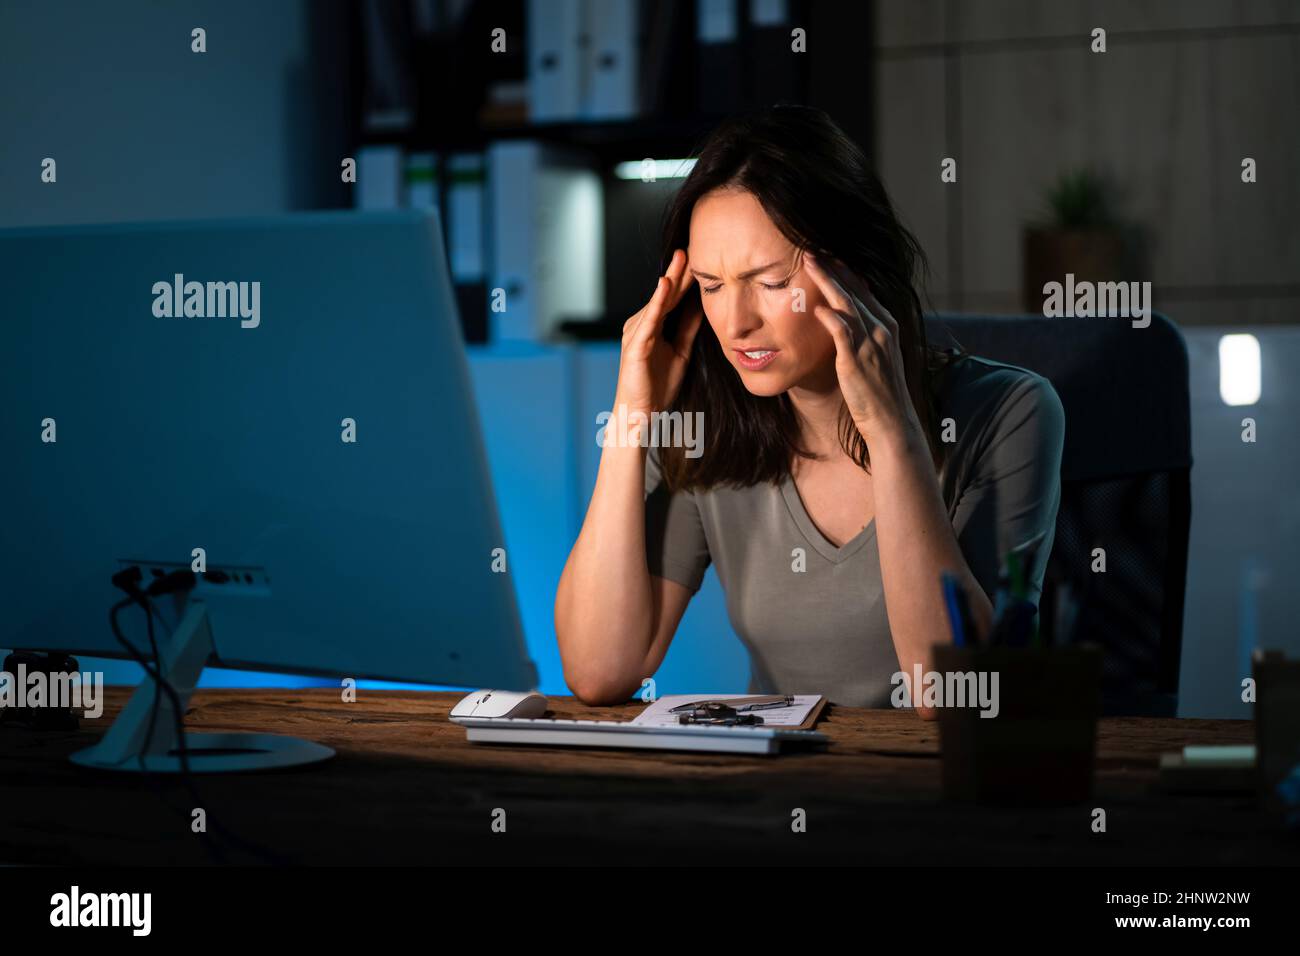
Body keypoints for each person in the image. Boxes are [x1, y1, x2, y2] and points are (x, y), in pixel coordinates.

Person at [555, 105, 1065, 712]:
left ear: (857, 272)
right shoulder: (706, 427)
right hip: (772, 764)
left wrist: (891, 432)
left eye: (771, 282)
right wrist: (630, 419)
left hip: (937, 769)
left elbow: (953, 696)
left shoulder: (1010, 412)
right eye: (712, 286)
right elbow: (599, 670)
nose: (736, 323)